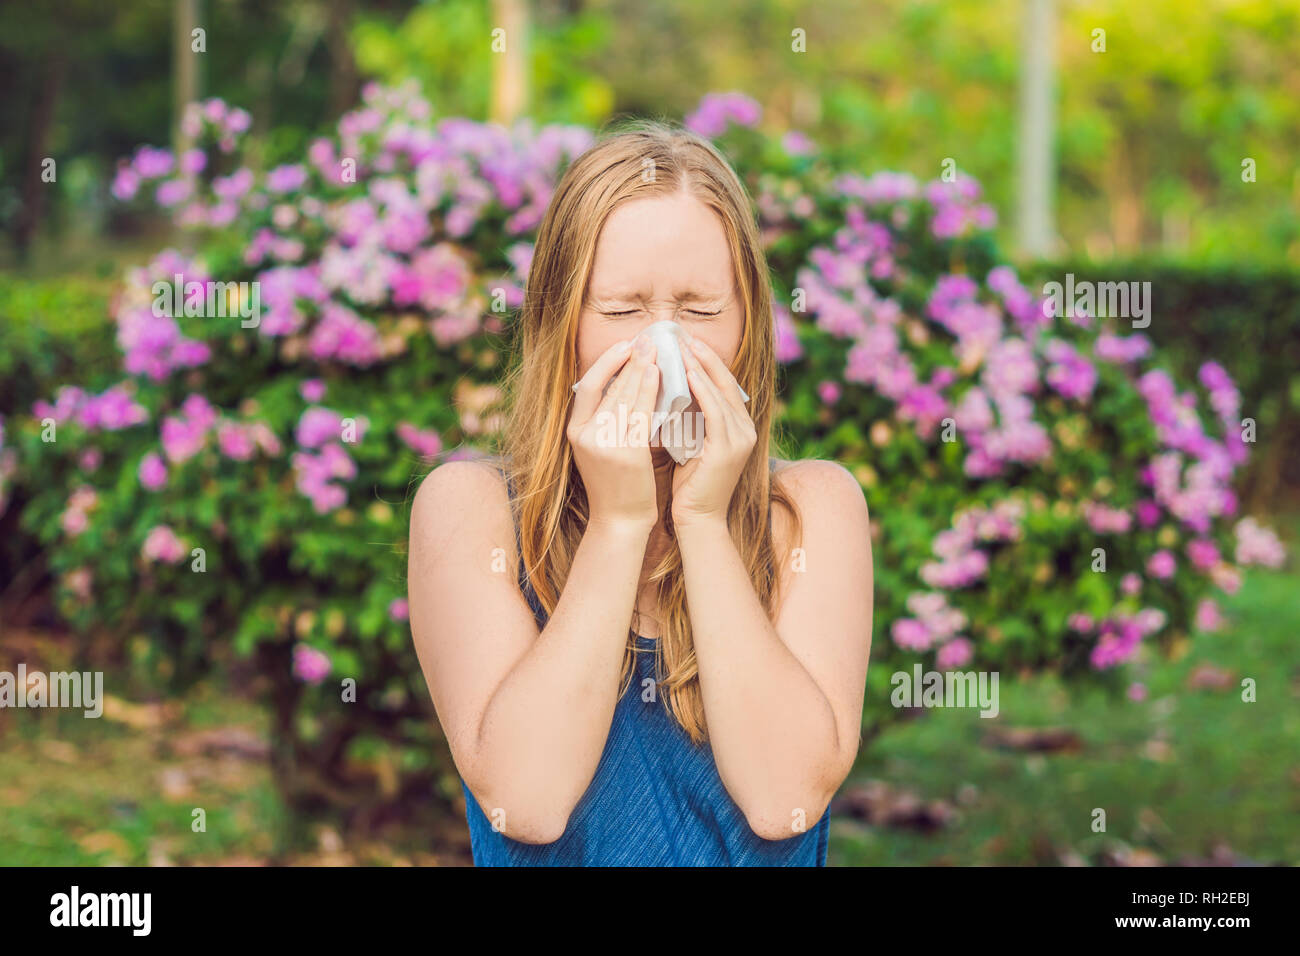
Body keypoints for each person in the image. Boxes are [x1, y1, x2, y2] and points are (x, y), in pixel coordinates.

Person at [408, 120, 873, 865]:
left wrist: (701, 520)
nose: (665, 348)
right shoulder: (470, 513)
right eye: (623, 310)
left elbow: (784, 797)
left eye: (698, 310)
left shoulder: (812, 515)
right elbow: (526, 802)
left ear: (749, 322)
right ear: (561, 324)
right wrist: (621, 523)